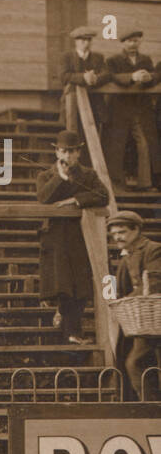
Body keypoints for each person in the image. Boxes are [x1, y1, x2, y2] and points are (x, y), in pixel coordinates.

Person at [35, 131, 110, 344]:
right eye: (63, 151)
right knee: (63, 284)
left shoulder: (89, 175)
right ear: (56, 151)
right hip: (56, 236)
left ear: (79, 152)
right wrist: (62, 177)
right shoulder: (46, 175)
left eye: (72, 151)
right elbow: (43, 197)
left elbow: (104, 195)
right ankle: (70, 330)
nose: (68, 155)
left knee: (80, 284)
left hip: (79, 234)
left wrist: (76, 200)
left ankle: (72, 330)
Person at [107, 210, 161, 397]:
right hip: (141, 320)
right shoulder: (124, 257)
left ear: (136, 229)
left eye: (122, 232)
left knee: (136, 362)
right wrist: (112, 296)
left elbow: (154, 283)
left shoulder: (153, 249)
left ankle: (152, 408)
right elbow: (116, 284)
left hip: (154, 314)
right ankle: (150, 406)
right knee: (132, 362)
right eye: (114, 234)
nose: (117, 237)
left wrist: (128, 298)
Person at [103, 30, 160, 191]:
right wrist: (132, 77)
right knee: (117, 146)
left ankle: (145, 183)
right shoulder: (113, 60)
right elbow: (111, 76)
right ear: (123, 43)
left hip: (141, 109)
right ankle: (117, 184)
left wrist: (149, 77)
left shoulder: (146, 60)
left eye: (136, 41)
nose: (133, 44)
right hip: (119, 110)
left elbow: (155, 75)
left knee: (145, 144)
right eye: (129, 41)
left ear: (139, 42)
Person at [59, 26, 110, 142]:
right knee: (73, 135)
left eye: (88, 40)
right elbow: (64, 76)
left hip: (94, 104)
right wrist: (84, 77)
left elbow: (107, 74)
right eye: (82, 40)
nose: (86, 43)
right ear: (76, 42)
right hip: (73, 104)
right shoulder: (66, 57)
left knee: (93, 137)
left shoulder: (98, 57)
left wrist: (95, 78)